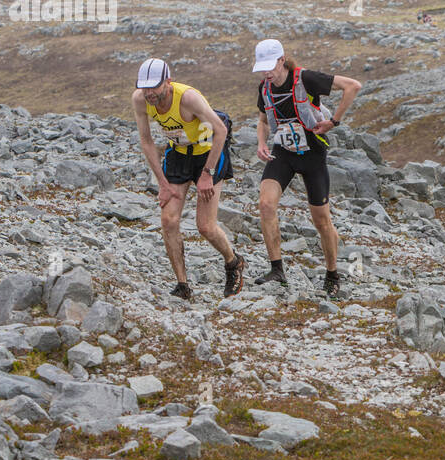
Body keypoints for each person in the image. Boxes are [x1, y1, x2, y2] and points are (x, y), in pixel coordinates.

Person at [251, 38, 361, 296]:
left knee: (321, 221)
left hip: (312, 153)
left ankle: (332, 275)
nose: (267, 72)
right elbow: (263, 119)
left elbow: (353, 86)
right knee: (266, 204)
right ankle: (277, 269)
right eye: (262, 67)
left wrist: (334, 121)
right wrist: (260, 143)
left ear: (282, 60)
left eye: (271, 65)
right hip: (283, 152)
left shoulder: (307, 78)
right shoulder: (264, 87)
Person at [131, 58, 243, 300]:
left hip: (208, 153)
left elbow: (221, 131)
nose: (149, 93)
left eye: (154, 87)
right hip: (179, 154)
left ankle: (233, 262)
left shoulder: (188, 98)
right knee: (168, 220)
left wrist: (207, 174)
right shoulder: (140, 99)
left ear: (168, 82)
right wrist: (162, 183)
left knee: (205, 226)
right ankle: (183, 285)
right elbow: (147, 141)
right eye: (144, 87)